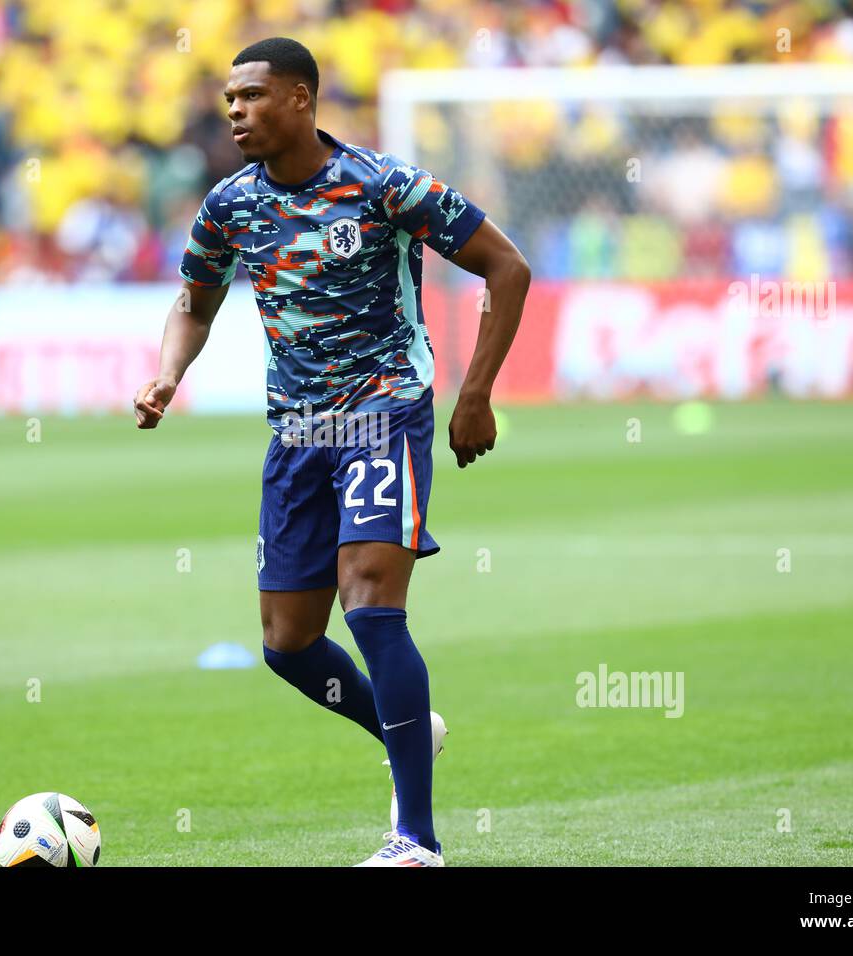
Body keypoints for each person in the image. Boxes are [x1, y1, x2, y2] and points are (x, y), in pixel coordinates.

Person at [133, 37, 530, 867]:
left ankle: (415, 841)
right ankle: (410, 728)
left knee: (371, 599)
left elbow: (506, 268)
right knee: (287, 642)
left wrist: (476, 393)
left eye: (252, 95)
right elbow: (194, 303)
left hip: (384, 415)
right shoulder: (230, 206)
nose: (235, 111)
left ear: (302, 99)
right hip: (298, 434)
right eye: (229, 98)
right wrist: (169, 373)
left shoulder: (384, 186)